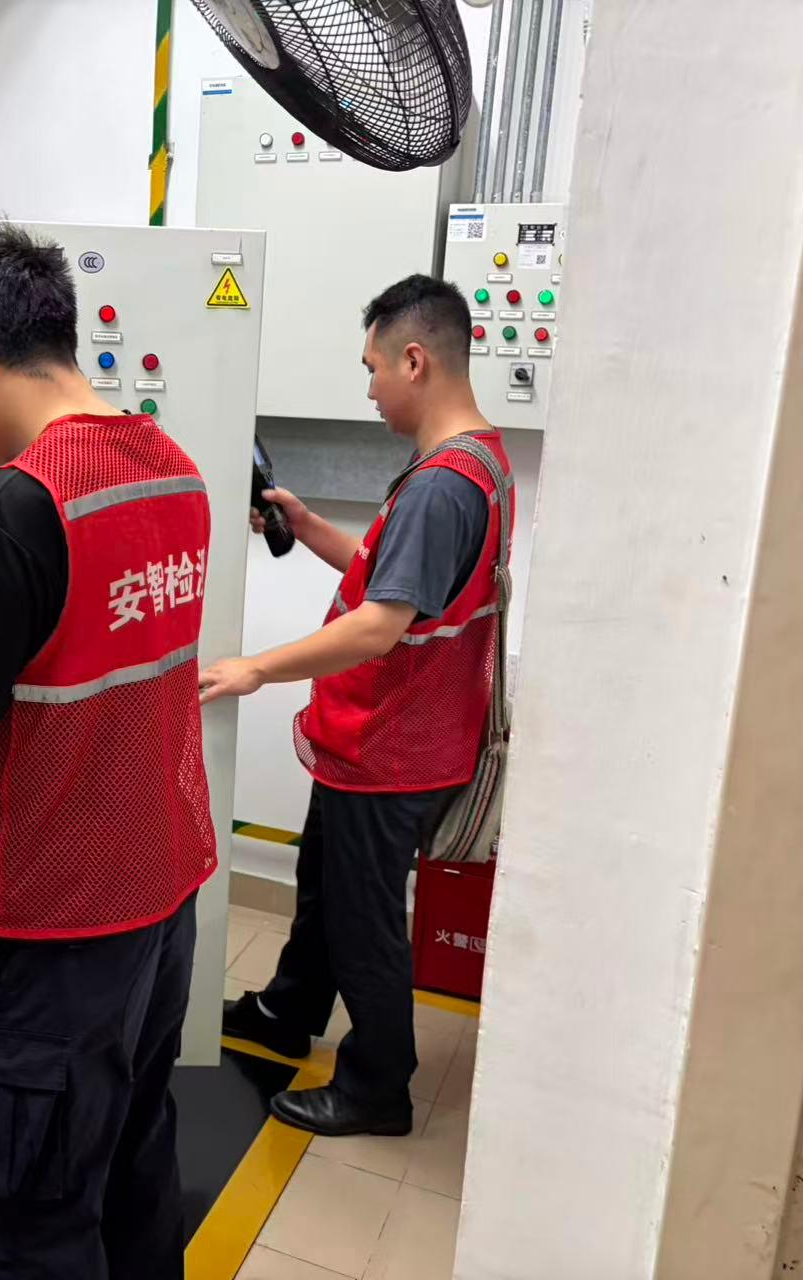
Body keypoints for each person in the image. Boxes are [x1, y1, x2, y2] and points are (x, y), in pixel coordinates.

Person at [0, 221, 217, 1280]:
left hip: (48, 932)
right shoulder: (170, 465)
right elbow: (78, 621)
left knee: (26, 1226)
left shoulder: (13, 505)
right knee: (129, 1174)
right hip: (158, 900)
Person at [198, 274, 513, 1138]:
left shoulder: (441, 486)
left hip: (390, 748)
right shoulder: (479, 461)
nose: (368, 389)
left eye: (372, 368)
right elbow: (399, 586)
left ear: (414, 360)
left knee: (362, 920)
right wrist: (305, 526)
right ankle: (286, 1010)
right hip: (386, 740)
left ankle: (377, 1087)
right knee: (325, 887)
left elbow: (378, 627)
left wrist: (257, 668)